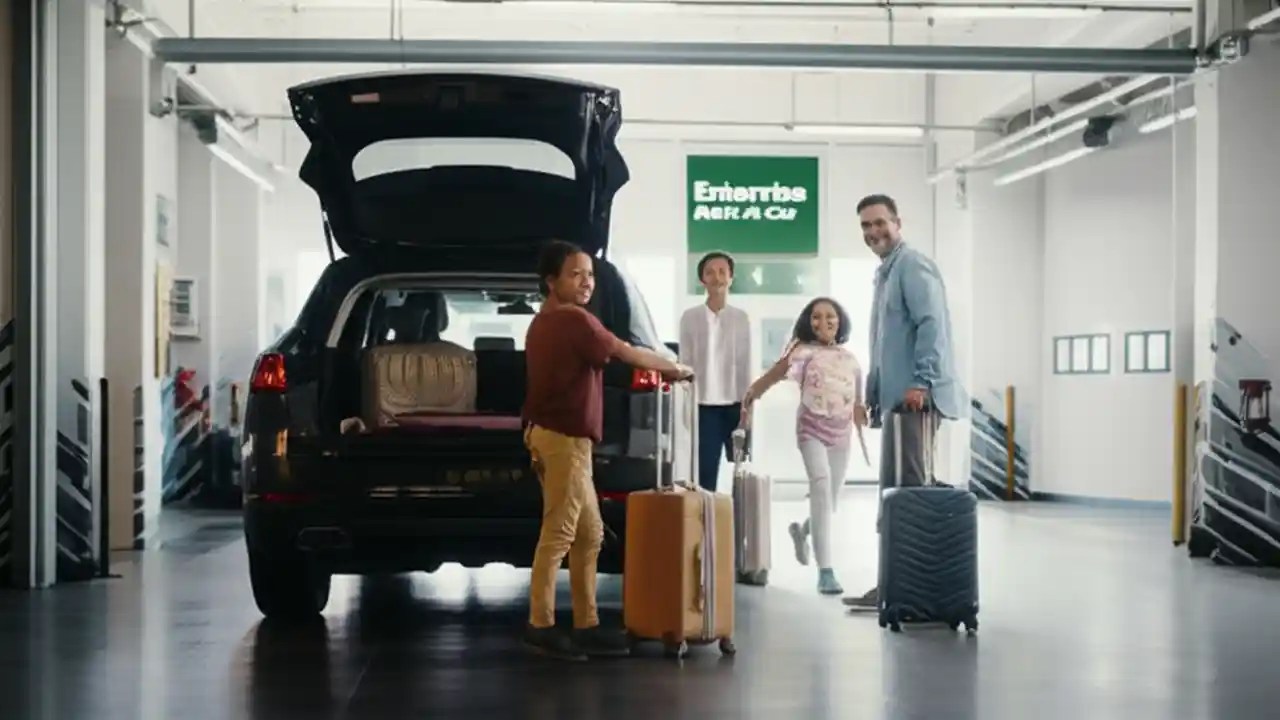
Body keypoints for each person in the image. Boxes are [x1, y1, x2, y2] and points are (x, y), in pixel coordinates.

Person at [522, 240, 693, 661]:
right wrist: (675, 367)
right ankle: (540, 625)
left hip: (557, 437)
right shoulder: (575, 320)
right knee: (560, 532)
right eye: (575, 274)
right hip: (564, 440)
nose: (586, 282)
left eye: (590, 275)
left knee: (590, 533)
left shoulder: (543, 321)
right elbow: (623, 351)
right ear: (551, 281)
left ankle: (587, 624)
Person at [843, 193, 966, 610]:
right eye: (866, 226)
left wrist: (922, 381)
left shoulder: (912, 265)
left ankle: (914, 591)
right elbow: (884, 345)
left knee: (910, 494)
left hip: (916, 400)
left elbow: (933, 325)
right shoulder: (886, 273)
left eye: (880, 222)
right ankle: (893, 586)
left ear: (898, 223)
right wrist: (873, 396)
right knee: (894, 494)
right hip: (897, 403)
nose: (873, 231)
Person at [741, 297, 866, 595]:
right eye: (816, 317)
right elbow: (773, 375)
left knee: (829, 500)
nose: (824, 322)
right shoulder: (801, 353)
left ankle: (802, 531)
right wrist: (751, 395)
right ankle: (826, 571)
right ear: (809, 323)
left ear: (840, 321)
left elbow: (857, 400)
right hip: (811, 430)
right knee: (820, 487)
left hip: (841, 435)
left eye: (830, 316)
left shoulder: (850, 359)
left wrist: (862, 417)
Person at [679, 251, 752, 492]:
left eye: (722, 272)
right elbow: (685, 363)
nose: (717, 277)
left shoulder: (741, 318)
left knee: (741, 471)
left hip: (736, 404)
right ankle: (705, 515)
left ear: (731, 278)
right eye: (710, 272)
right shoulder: (690, 317)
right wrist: (686, 405)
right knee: (705, 472)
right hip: (703, 405)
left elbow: (746, 362)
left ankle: (736, 514)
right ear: (702, 279)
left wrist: (748, 407)